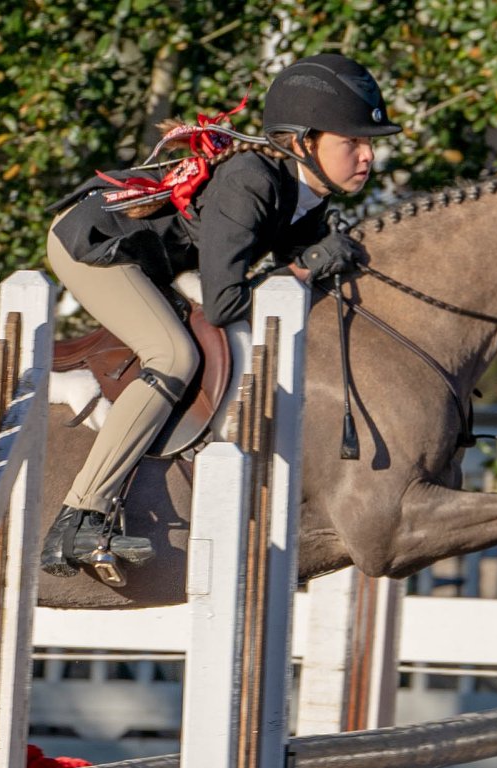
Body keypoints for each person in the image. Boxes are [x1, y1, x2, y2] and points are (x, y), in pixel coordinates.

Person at [40, 53, 401, 577]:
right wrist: (305, 268)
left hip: (155, 259)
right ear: (302, 142)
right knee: (173, 354)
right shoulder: (251, 180)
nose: (368, 156)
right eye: (353, 142)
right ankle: (79, 516)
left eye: (369, 144)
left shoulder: (307, 196)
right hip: (96, 245)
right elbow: (226, 302)